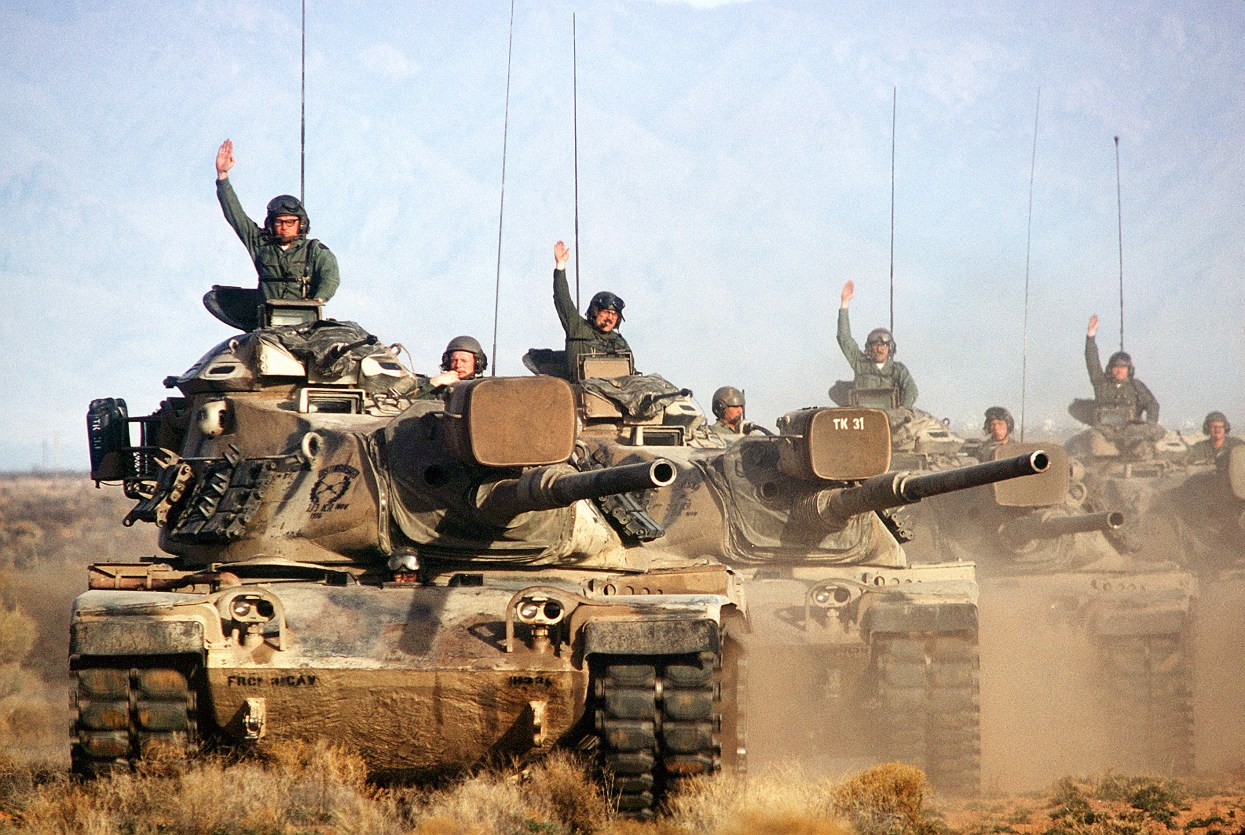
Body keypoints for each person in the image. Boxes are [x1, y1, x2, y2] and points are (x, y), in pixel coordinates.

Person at [208, 139, 340, 329]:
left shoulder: (314, 251)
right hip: (265, 321)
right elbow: (236, 216)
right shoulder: (261, 244)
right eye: (279, 222)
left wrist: (319, 298)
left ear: (301, 224)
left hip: (303, 324)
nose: (284, 227)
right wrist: (223, 177)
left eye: (290, 222)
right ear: (271, 224)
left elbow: (330, 276)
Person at [552, 240, 631, 379]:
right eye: (606, 312)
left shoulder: (620, 343)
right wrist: (560, 266)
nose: (610, 318)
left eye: (614, 315)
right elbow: (562, 299)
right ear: (595, 312)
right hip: (580, 391)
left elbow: (631, 375)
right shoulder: (577, 328)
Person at [836, 280, 917, 408]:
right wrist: (844, 303)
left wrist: (902, 411)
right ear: (869, 348)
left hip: (890, 420)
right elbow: (844, 338)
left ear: (890, 348)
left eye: (883, 345)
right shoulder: (860, 364)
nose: (879, 349)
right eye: (875, 345)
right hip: (862, 420)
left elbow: (911, 390)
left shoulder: (897, 370)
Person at [1083, 314, 1158, 426]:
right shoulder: (1101, 383)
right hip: (1104, 430)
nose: (1119, 371)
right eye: (1116, 367)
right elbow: (1092, 361)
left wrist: (1150, 425)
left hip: (1132, 430)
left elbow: (1152, 405)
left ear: (1129, 370)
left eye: (1123, 367)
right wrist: (1090, 335)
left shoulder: (1136, 386)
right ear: (1110, 369)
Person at [415, 336, 487, 399]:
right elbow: (409, 404)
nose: (458, 365)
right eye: (454, 360)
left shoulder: (485, 388)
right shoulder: (439, 388)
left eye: (464, 360)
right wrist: (434, 382)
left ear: (478, 363)